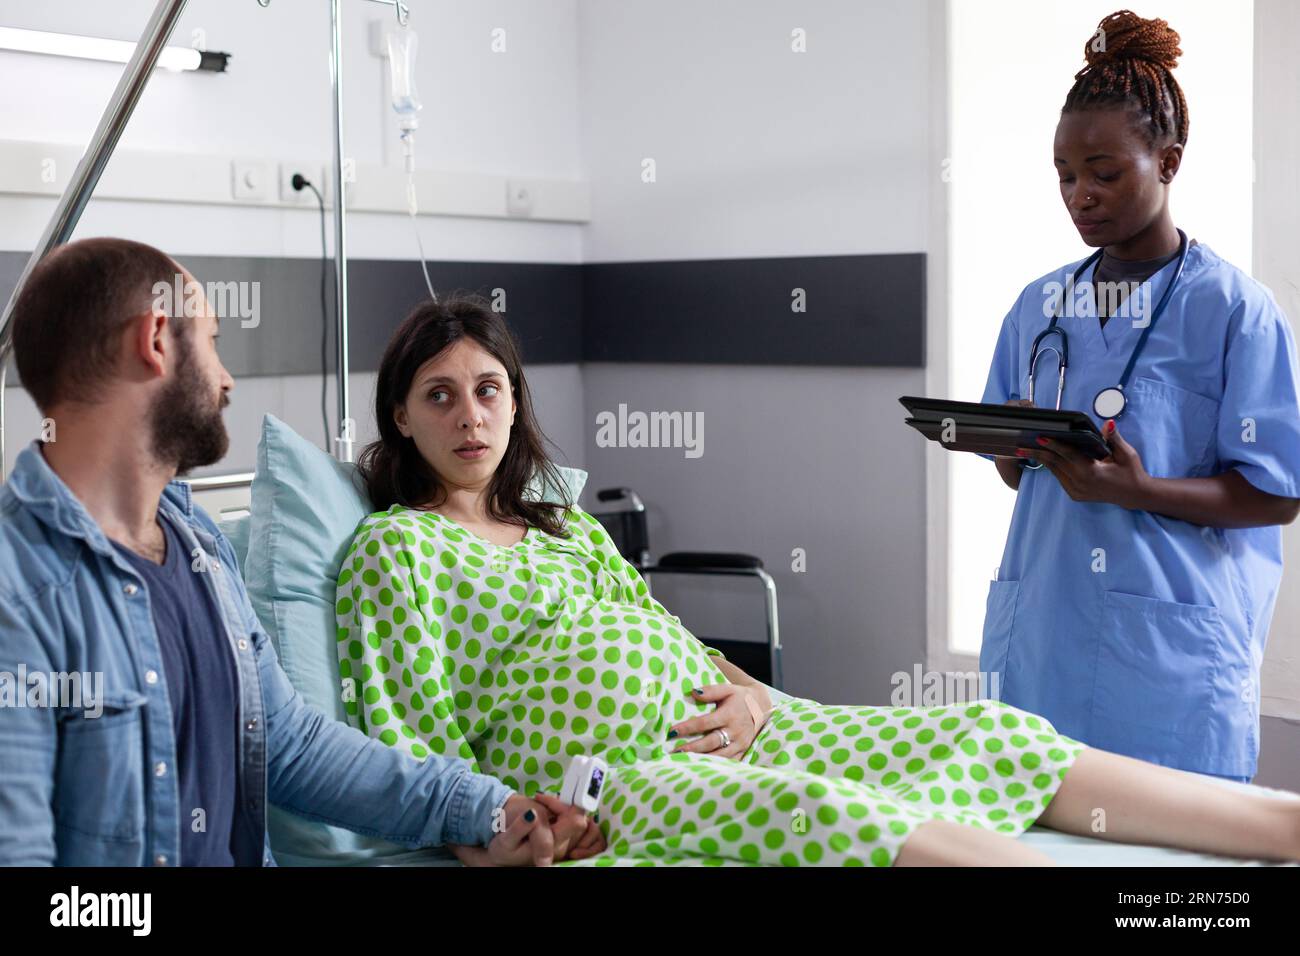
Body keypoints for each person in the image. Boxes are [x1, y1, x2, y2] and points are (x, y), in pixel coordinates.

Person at [337, 292, 1300, 866]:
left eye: (490, 389)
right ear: (402, 417)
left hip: (733, 726)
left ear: (516, 403)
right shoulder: (397, 552)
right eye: (441, 396)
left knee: (986, 730)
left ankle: (1283, 829)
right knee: (828, 811)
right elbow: (408, 744)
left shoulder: (560, 529)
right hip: (621, 782)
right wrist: (492, 837)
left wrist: (752, 697)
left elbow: (668, 639)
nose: (472, 416)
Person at [0, 236, 600, 866]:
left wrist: (488, 809)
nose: (226, 380)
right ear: (155, 341)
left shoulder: (198, 549)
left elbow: (291, 748)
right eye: (211, 342)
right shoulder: (21, 592)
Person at [978, 10, 1300, 782]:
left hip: (1170, 663)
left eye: (1104, 171)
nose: (1079, 195)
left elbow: (1276, 496)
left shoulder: (1234, 311)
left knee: (1172, 884)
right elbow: (1016, 473)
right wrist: (1010, 443)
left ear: (1168, 161)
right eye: (1063, 174)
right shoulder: (1039, 305)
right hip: (1044, 642)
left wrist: (1139, 489)